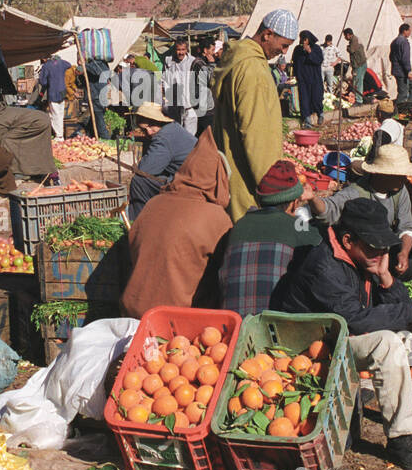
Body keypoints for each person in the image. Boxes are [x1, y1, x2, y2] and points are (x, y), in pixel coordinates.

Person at [274, 197, 412, 470]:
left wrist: (386, 278)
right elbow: (353, 321)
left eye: (384, 246)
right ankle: (401, 438)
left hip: (345, 334)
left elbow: (399, 308)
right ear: (348, 241)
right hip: (314, 345)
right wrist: (404, 314)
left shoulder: (367, 257)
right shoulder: (324, 267)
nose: (382, 252)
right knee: (387, 343)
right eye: (374, 246)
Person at [122, 129, 233, 317]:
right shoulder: (217, 218)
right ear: (218, 179)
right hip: (178, 319)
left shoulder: (154, 202)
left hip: (131, 309)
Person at [213, 9, 295, 221]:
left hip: (230, 171)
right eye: (284, 45)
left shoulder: (237, 59)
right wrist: (273, 188)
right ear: (267, 34)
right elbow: (256, 136)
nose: (283, 52)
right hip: (249, 180)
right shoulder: (253, 70)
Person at [308, 143, 412, 281]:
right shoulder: (354, 193)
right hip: (362, 258)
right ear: (383, 174)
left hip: (385, 252)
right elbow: (329, 209)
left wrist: (404, 252)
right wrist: (312, 198)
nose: (404, 179)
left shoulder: (399, 192)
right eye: (399, 175)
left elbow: (407, 225)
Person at [218, 160, 320, 317]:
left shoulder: (238, 225)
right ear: (293, 204)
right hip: (275, 327)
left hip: (233, 325)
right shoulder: (298, 227)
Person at [126, 102, 198, 222]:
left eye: (150, 126)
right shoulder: (174, 127)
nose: (148, 132)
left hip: (191, 182)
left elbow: (144, 171)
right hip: (193, 175)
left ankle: (139, 225)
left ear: (159, 121)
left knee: (139, 182)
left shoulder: (163, 138)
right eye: (144, 129)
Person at [0, 102, 55, 178]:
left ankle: (18, 171)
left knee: (7, 141)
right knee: (34, 145)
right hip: (43, 117)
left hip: (36, 122)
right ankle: (40, 171)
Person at [161, 40, 198, 135]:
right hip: (175, 106)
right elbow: (164, 79)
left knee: (189, 135)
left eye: (183, 50)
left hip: (189, 106)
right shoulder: (169, 61)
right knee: (176, 134)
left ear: (187, 50)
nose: (180, 52)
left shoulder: (192, 61)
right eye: (178, 50)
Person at [32, 54, 71, 138]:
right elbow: (69, 65)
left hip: (53, 92)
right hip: (62, 92)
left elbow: (43, 82)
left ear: (44, 58)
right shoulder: (61, 63)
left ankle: (59, 136)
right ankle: (60, 134)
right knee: (60, 114)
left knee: (54, 114)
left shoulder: (46, 66)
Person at [292, 30, 325, 127]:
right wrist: (296, 75)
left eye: (305, 39)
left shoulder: (316, 48)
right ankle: (307, 120)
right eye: (302, 39)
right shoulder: (298, 49)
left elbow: (319, 60)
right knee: (304, 98)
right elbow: (295, 62)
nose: (303, 41)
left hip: (314, 78)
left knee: (316, 97)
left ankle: (320, 113)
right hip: (303, 78)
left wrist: (310, 52)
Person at [343, 27, 368, 104]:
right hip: (358, 64)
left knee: (358, 82)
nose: (344, 37)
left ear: (348, 35)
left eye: (345, 36)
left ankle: (359, 100)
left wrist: (347, 48)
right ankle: (357, 98)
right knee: (356, 82)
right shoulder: (354, 40)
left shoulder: (354, 40)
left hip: (359, 65)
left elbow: (351, 50)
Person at [389, 24, 412, 100]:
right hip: (402, 71)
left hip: (396, 69)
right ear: (404, 31)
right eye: (409, 31)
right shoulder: (404, 42)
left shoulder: (394, 42)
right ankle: (398, 110)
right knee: (403, 93)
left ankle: (410, 104)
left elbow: (391, 57)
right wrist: (408, 70)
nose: (410, 32)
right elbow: (405, 58)